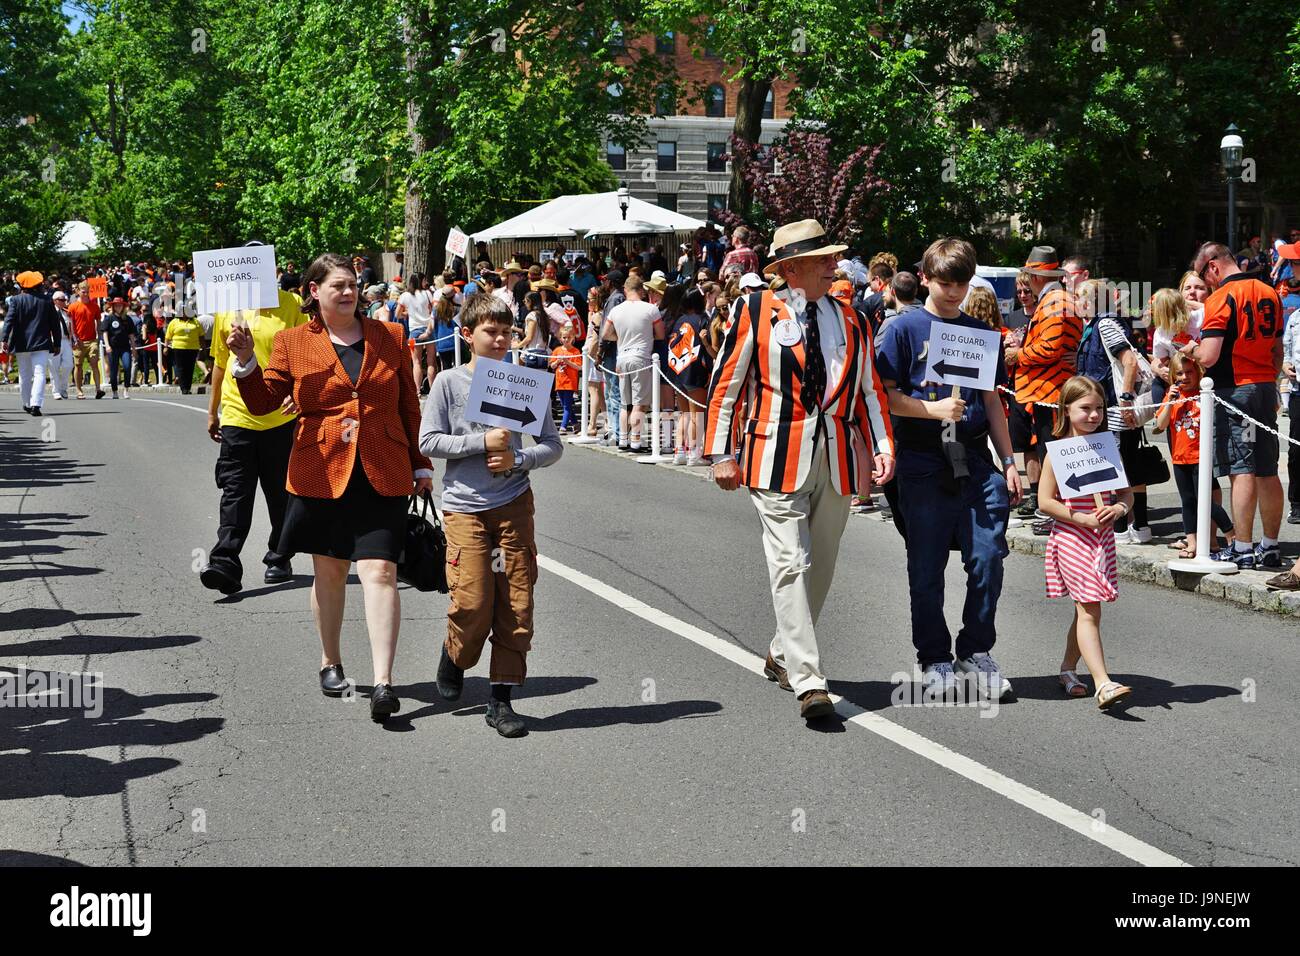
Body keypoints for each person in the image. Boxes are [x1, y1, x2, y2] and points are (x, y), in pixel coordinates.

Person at [227, 252, 434, 722]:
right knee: (332, 573)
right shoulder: (292, 342)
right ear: (314, 291)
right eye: (338, 285)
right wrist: (244, 360)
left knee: (381, 570)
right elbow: (262, 404)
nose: (348, 291)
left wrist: (419, 462)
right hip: (321, 469)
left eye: (353, 284)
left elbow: (408, 404)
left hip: (383, 466)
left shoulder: (391, 335)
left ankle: (384, 681)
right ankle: (331, 660)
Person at [707, 218, 895, 722]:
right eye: (823, 259)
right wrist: (721, 453)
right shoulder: (754, 311)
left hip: (835, 456)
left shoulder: (852, 318)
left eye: (833, 257)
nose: (835, 265)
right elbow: (726, 384)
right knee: (791, 561)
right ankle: (809, 680)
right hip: (773, 454)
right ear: (791, 268)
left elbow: (869, 390)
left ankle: (781, 651)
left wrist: (881, 443)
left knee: (824, 565)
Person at [874, 238, 1022, 700]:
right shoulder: (903, 328)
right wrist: (932, 410)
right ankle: (934, 656)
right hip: (921, 459)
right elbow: (884, 395)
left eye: (961, 283)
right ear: (925, 279)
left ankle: (975, 650)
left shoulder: (980, 332)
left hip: (976, 459)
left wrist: (1010, 460)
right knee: (927, 566)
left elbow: (992, 399)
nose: (954, 292)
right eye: (944, 283)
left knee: (988, 558)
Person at [419, 293, 563, 737]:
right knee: (473, 599)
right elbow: (429, 442)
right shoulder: (448, 383)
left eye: (506, 332)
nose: (500, 339)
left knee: (517, 601)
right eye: (490, 332)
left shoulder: (526, 381)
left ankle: (501, 699)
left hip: (513, 502)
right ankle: (456, 653)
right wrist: (481, 444)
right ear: (468, 334)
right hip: (465, 507)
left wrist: (520, 460)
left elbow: (552, 445)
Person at [199, 270, 308, 596]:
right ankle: (225, 561)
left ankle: (279, 554)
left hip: (279, 418)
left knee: (280, 493)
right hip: (236, 417)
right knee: (235, 491)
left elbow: (305, 357)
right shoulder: (226, 310)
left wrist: (297, 393)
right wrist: (213, 408)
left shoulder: (292, 305)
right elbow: (220, 362)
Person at [1036, 376, 1134, 710]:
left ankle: (1067, 669)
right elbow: (1045, 501)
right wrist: (1080, 518)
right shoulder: (1057, 452)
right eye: (1085, 408)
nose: (1093, 415)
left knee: (1088, 609)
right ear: (1067, 409)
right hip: (1073, 537)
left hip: (1101, 538)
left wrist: (1120, 507)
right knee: (1089, 608)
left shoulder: (1107, 448)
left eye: (1098, 409)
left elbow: (1125, 493)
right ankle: (1103, 683)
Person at [1191, 241, 1286, 569]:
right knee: (1267, 468)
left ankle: (1242, 547)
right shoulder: (1268, 290)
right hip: (1263, 387)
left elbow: (1209, 355)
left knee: (1241, 468)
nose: (1207, 284)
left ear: (1213, 266)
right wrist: (1268, 381)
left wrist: (1188, 349)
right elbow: (1277, 350)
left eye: (1205, 277)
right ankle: (1270, 545)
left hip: (1236, 391)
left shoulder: (1220, 298)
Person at [1004, 246, 1082, 524]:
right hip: (1048, 390)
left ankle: (1057, 514)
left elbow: (1049, 349)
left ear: (1035, 277)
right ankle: (1055, 512)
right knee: (1051, 451)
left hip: (1051, 391)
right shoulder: (1056, 299)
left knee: (1054, 453)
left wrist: (1017, 354)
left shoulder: (1054, 302)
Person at [1073, 277, 1154, 543]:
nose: (1075, 303)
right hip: (1110, 407)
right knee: (1127, 466)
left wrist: (1126, 398)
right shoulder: (1097, 325)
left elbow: (1129, 361)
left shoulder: (1105, 324)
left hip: (1115, 409)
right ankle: (1136, 526)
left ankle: (1123, 528)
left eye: (1079, 298)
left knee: (1117, 467)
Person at [1154, 353, 1234, 557]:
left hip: (1201, 457)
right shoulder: (1172, 397)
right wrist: (1170, 402)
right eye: (1179, 373)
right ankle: (1193, 543)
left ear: (1198, 372)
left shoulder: (1204, 395)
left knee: (1205, 501)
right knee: (1187, 501)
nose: (1184, 377)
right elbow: (1161, 424)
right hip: (1180, 457)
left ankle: (1232, 536)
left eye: (1189, 372)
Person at [603, 274, 662, 451]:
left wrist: (619, 338)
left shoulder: (616, 310)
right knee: (639, 403)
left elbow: (605, 334)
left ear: (625, 290)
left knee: (624, 402)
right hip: (642, 357)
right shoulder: (651, 309)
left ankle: (623, 439)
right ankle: (636, 440)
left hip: (622, 358)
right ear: (641, 290)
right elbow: (660, 334)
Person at [1, 272, 61, 416]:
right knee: (40, 373)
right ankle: (36, 404)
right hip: (41, 342)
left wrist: (4, 339)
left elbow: (9, 321)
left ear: (22, 285)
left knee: (24, 374)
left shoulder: (15, 300)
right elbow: (55, 324)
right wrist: (57, 342)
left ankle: (26, 403)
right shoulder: (46, 300)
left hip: (21, 342)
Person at [665, 286, 712, 465]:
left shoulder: (679, 320)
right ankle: (695, 452)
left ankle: (680, 452)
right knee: (697, 414)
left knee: (684, 413)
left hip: (677, 370)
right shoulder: (702, 319)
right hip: (694, 370)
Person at [68, 283, 104, 399]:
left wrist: (99, 336)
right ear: (78, 291)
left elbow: (98, 322)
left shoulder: (95, 306)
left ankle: (98, 389)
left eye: (88, 291)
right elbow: (71, 324)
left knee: (94, 363)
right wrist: (74, 338)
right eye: (83, 291)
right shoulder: (73, 306)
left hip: (92, 339)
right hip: (78, 340)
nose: (86, 294)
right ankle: (79, 390)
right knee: (78, 366)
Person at [99, 296, 137, 399]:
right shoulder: (109, 318)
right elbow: (105, 333)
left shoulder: (127, 318)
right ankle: (114, 391)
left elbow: (131, 335)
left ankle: (126, 389)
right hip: (113, 348)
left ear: (123, 306)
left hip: (125, 347)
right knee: (114, 369)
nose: (118, 307)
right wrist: (107, 345)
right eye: (116, 305)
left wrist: (133, 348)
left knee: (127, 366)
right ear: (113, 306)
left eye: (120, 305)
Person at [582, 286, 606, 437]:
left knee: (594, 389)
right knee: (599, 391)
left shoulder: (598, 316)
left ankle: (592, 424)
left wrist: (588, 355)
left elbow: (596, 339)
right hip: (594, 355)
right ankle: (607, 421)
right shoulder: (596, 314)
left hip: (593, 355)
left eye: (590, 299)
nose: (587, 302)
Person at [549, 324, 582, 432]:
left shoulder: (575, 351)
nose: (566, 339)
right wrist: (558, 361)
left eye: (568, 337)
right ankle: (576, 423)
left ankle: (563, 427)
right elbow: (552, 366)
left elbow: (579, 367)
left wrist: (568, 362)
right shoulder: (557, 350)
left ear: (572, 338)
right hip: (559, 382)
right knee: (565, 405)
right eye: (564, 337)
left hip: (570, 382)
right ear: (560, 338)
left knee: (567, 406)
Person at [164, 308, 202, 394]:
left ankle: (188, 387)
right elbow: (168, 336)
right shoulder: (174, 322)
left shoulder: (195, 321)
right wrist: (165, 347)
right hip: (178, 348)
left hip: (193, 348)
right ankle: (183, 388)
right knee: (181, 368)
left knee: (190, 368)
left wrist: (202, 347)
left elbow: (201, 334)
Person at [49, 291, 74, 400]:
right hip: (54, 341)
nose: (64, 302)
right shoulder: (49, 312)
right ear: (55, 301)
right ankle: (55, 390)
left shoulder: (66, 312)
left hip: (65, 340)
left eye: (65, 300)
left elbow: (70, 326)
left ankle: (63, 387)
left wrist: (73, 339)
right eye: (62, 300)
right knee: (54, 367)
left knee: (68, 365)